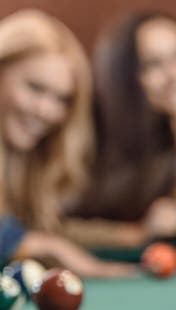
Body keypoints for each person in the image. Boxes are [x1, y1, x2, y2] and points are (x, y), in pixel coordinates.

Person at [64, 11, 176, 248]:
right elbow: (46, 226)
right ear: (122, 77)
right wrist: (133, 234)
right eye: (153, 65)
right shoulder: (86, 123)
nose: (175, 75)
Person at [0, 10, 134, 277]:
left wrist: (128, 236)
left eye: (62, 99)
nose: (46, 111)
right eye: (35, 88)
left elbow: (47, 228)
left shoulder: (22, 165)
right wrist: (38, 245)